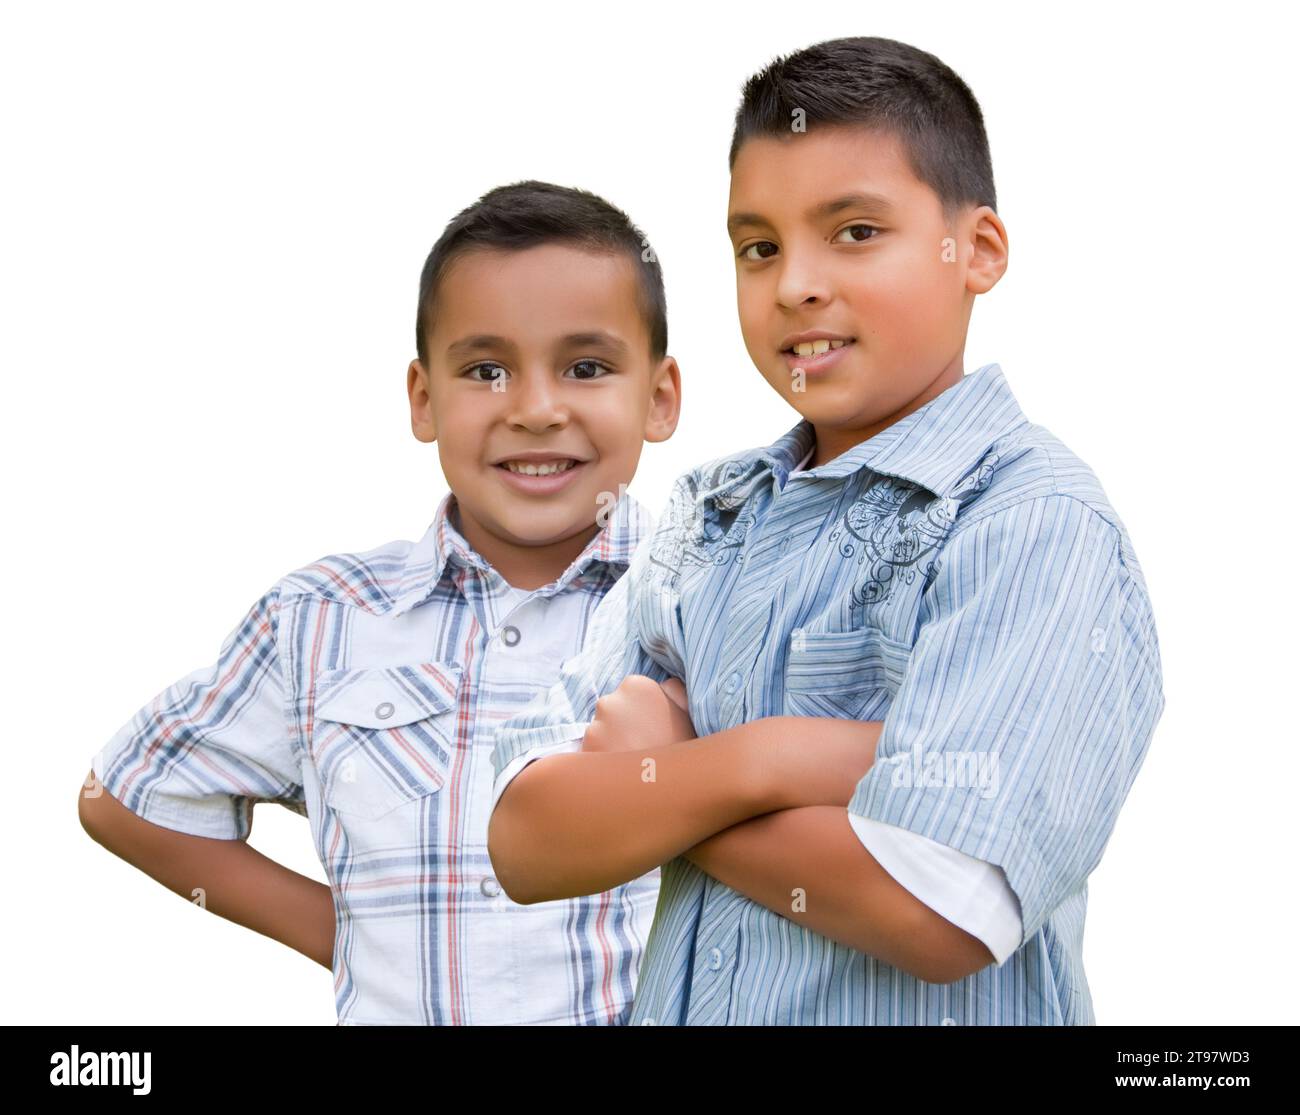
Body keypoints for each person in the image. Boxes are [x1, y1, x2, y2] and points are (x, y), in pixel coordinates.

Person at [487, 37, 1166, 1025]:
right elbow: (525, 839)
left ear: (976, 250)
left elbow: (939, 905)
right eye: (757, 246)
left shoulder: (1030, 522)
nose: (794, 283)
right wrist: (778, 758)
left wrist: (664, 789)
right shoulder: (709, 516)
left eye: (853, 231)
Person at [79, 180, 682, 1025]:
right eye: (485, 369)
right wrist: (344, 934)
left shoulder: (709, 606)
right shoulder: (323, 619)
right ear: (423, 399)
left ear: (659, 398)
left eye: (586, 367)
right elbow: (130, 796)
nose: (536, 409)